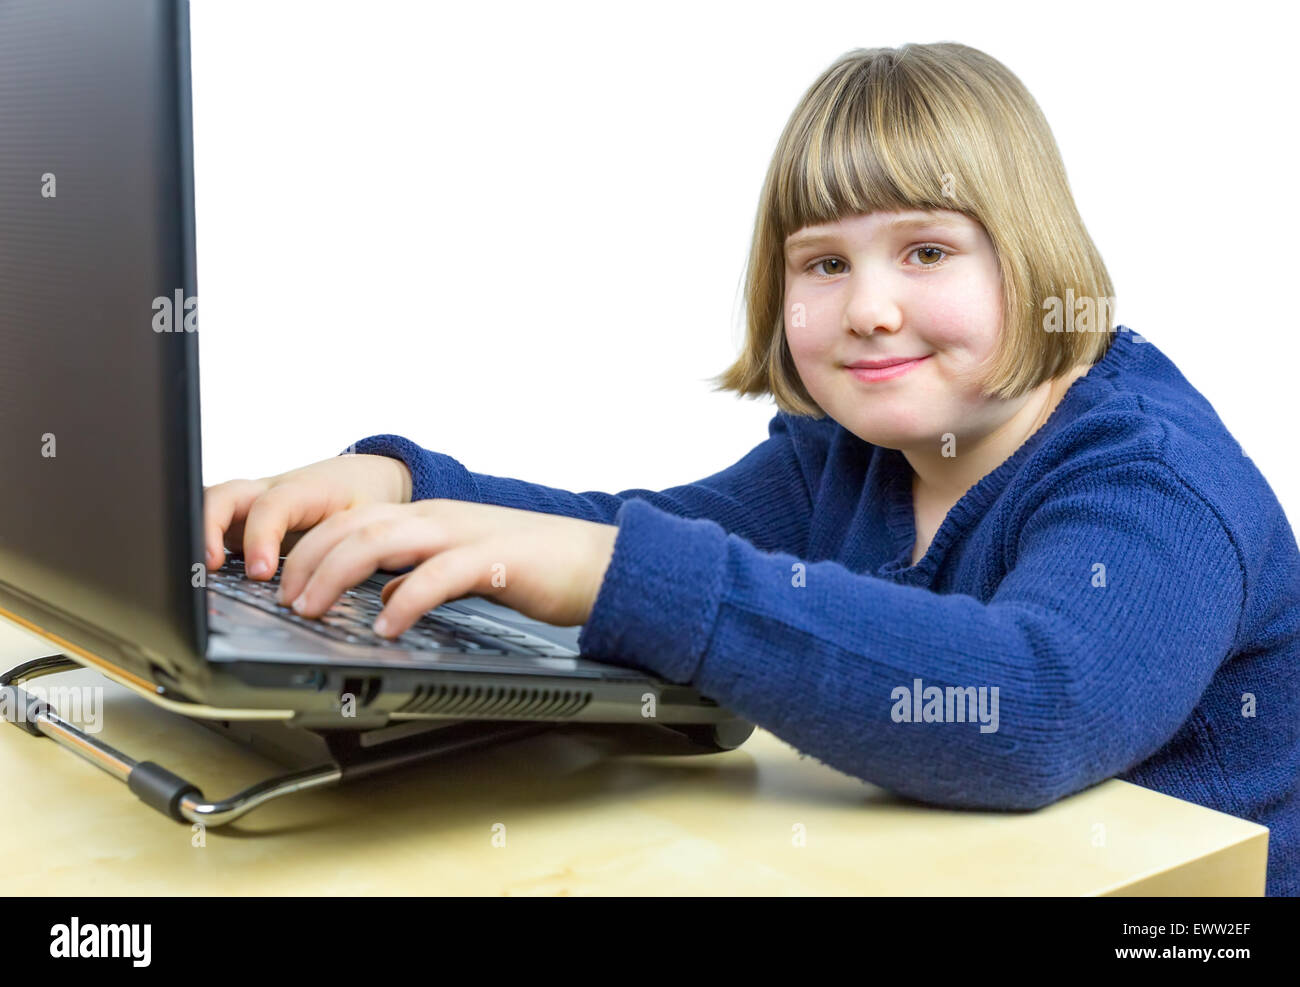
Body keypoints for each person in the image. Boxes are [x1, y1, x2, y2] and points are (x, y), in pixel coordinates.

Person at [205, 43, 1300, 896]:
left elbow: (1029, 708)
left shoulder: (1150, 480)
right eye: (823, 263)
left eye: (926, 251)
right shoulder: (850, 457)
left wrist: (615, 568)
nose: (868, 309)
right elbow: (632, 531)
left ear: (1035, 256)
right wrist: (407, 489)